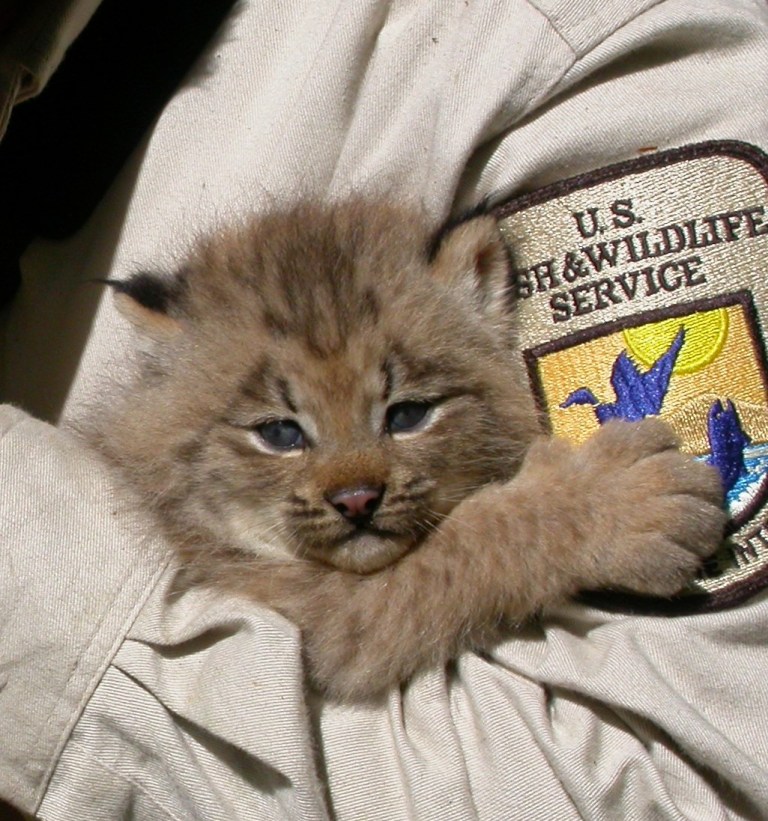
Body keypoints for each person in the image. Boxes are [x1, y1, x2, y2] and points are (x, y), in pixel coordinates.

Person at [1, 1, 767, 818]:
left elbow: (672, 775)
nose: (354, 486)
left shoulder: (581, 41)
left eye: (406, 413)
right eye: (282, 433)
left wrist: (538, 531)